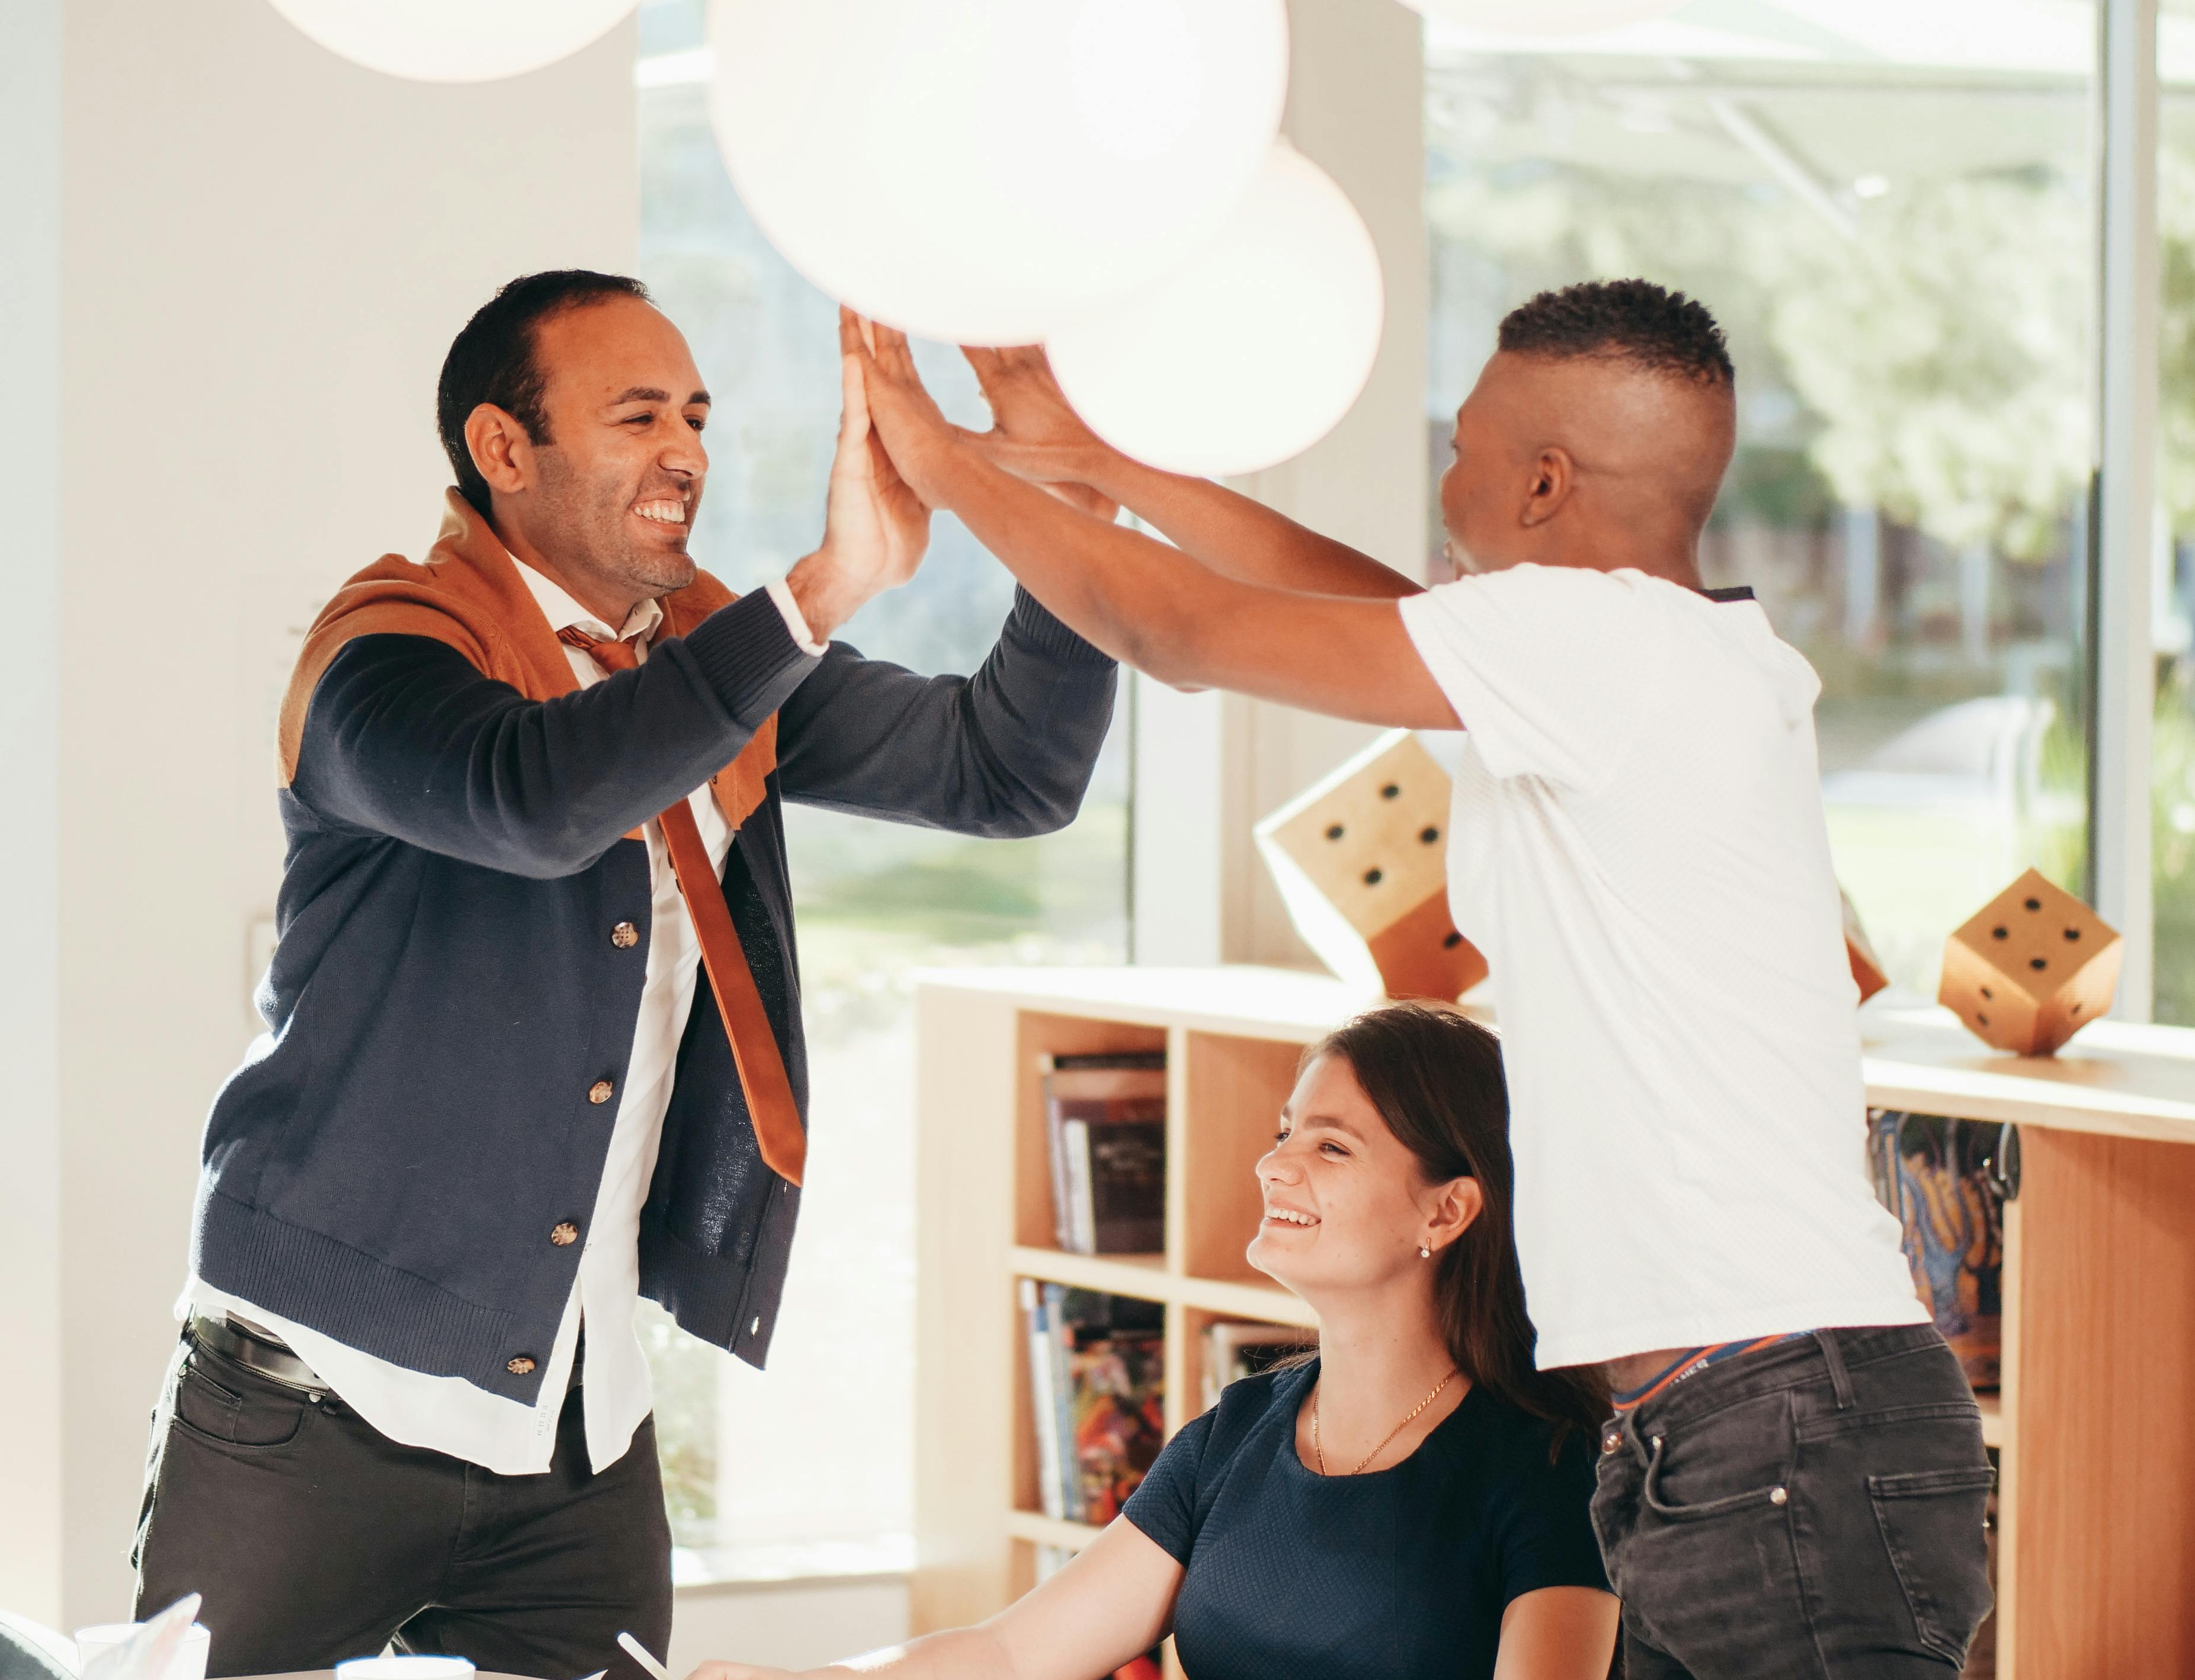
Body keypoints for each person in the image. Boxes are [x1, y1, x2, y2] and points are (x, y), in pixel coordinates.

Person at [844, 281, 1995, 1677]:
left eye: (1459, 450)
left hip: (1779, 1432)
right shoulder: (1644, 662)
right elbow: (1350, 601)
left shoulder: (1605, 648)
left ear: (1542, 482)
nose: (1443, 481)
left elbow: (1184, 632)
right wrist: (1096, 465)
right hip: (1740, 1425)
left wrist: (936, 456)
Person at [132, 270, 1119, 1679]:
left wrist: (1064, 496)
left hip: (575, 1425)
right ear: (502, 447)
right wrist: (823, 586)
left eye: (697, 416)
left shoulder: (707, 663)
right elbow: (539, 798)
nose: (686, 452)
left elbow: (1004, 769)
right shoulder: (381, 655)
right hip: (311, 1402)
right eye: (638, 414)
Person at [693, 1002, 1618, 1680]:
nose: (1272, 1164)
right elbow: (1013, 1654)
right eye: (1285, 1133)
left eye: (1330, 1148)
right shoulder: (1237, 1433)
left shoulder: (1552, 1468)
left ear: (1446, 1211)